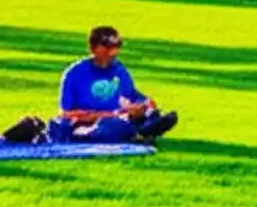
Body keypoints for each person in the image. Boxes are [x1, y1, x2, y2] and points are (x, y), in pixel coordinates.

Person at [48, 27, 178, 144]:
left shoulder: (119, 70)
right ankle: (136, 133)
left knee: (149, 115)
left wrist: (145, 105)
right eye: (108, 47)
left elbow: (132, 96)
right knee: (111, 126)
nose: (113, 52)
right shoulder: (74, 73)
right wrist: (108, 115)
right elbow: (66, 114)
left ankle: (142, 129)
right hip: (88, 124)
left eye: (116, 46)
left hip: (121, 119)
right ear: (93, 48)